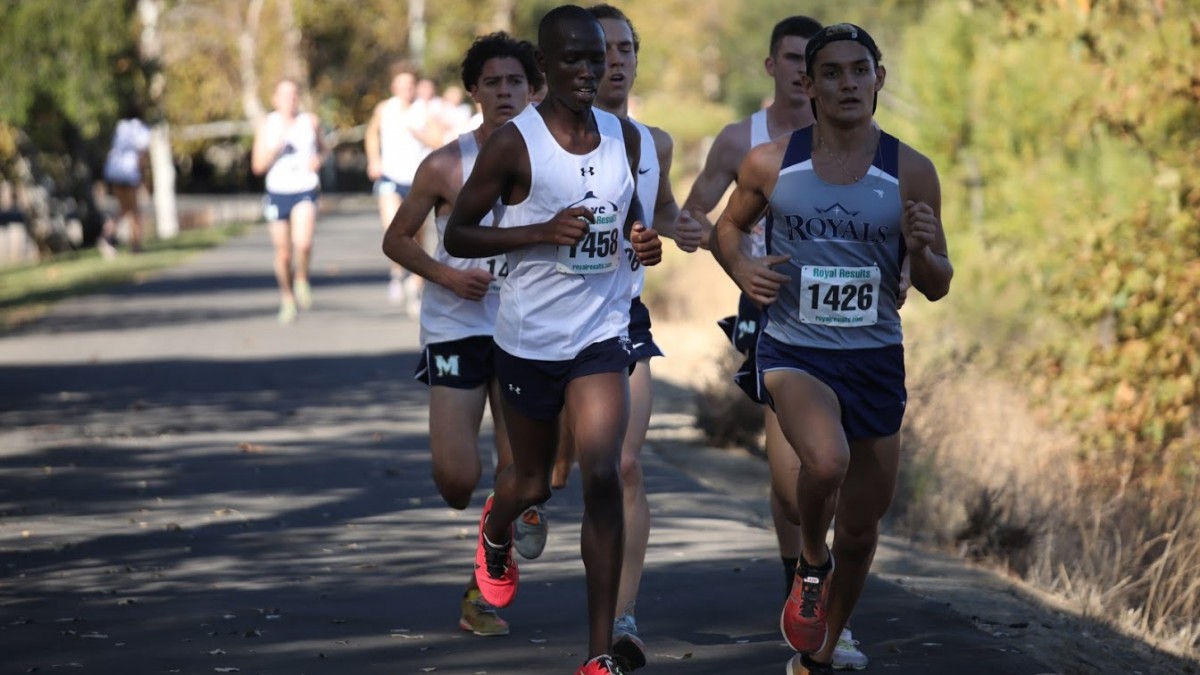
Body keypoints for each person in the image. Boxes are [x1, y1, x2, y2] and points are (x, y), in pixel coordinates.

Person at [709, 23, 953, 675]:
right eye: (833, 73)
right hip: (796, 348)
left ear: (879, 79)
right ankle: (809, 561)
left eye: (859, 70)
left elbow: (935, 286)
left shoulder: (911, 170)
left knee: (864, 529)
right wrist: (742, 271)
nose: (848, 83)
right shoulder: (771, 162)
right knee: (825, 461)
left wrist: (925, 247)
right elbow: (726, 229)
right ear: (808, 85)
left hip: (874, 355)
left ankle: (819, 649)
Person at [443, 6, 663, 674]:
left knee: (602, 474)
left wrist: (642, 242)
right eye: (574, 60)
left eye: (597, 59)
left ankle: (598, 653)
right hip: (528, 337)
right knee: (531, 480)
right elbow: (458, 235)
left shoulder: (623, 138)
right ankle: (496, 526)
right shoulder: (515, 143)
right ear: (545, 67)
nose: (590, 72)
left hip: (600, 333)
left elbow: (626, 221)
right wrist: (537, 232)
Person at [676, 15, 870, 672]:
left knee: (843, 472)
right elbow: (697, 214)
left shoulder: (859, 140)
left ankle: (825, 611)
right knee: (796, 480)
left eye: (806, 59)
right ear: (776, 67)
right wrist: (688, 235)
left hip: (854, 324)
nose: (798, 69)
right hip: (771, 308)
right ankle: (804, 582)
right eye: (790, 58)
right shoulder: (744, 141)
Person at [539, 5, 702, 671]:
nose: (616, 59)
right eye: (601, 48)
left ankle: (621, 619)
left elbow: (661, 213)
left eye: (627, 47)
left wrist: (683, 231)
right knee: (549, 469)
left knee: (625, 465)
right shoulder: (537, 137)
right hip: (545, 322)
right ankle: (521, 494)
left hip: (617, 321)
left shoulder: (652, 143)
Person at [381, 31, 546, 639]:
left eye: (515, 83)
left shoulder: (552, 158)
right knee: (456, 480)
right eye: (493, 83)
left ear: (534, 89)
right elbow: (396, 238)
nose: (504, 93)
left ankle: (485, 580)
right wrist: (447, 274)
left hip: (526, 329)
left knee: (522, 470)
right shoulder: (446, 163)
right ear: (473, 91)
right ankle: (495, 521)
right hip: (456, 327)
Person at [365, 64, 441, 314]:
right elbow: (371, 134)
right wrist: (374, 159)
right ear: (394, 86)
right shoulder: (384, 109)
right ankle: (397, 273)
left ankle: (415, 283)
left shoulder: (424, 109)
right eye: (402, 84)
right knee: (392, 226)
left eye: (410, 85)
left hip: (418, 181)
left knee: (418, 236)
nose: (406, 89)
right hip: (390, 177)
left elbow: (438, 141)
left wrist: (419, 134)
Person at [251, 78, 324, 324]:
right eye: (284, 95)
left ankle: (302, 276)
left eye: (294, 94)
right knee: (283, 254)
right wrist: (276, 146)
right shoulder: (268, 125)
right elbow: (257, 166)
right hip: (277, 191)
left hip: (305, 187)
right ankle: (287, 297)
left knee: (302, 243)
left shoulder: (310, 121)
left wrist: (319, 160)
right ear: (274, 99)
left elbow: (324, 150)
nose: (289, 99)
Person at [102, 104, 151, 254]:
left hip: (114, 171)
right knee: (134, 210)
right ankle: (135, 245)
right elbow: (142, 155)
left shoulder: (121, 127)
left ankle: (107, 235)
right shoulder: (142, 129)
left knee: (125, 208)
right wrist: (143, 178)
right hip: (129, 172)